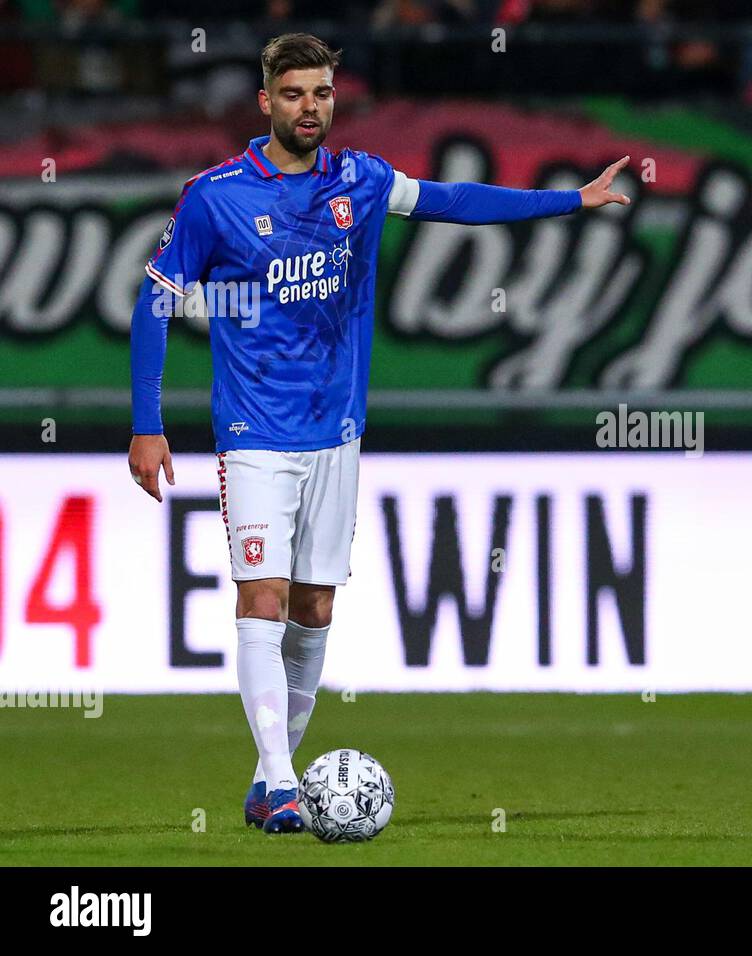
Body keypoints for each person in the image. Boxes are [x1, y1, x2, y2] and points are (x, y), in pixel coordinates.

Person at [127, 32, 631, 833]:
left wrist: (572, 201)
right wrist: (146, 423)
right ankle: (283, 784)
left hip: (337, 432)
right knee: (262, 595)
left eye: (322, 93)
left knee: (314, 606)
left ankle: (265, 781)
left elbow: (454, 201)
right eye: (294, 94)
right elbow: (155, 302)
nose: (309, 108)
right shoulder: (216, 196)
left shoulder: (361, 181)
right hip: (253, 432)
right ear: (265, 101)